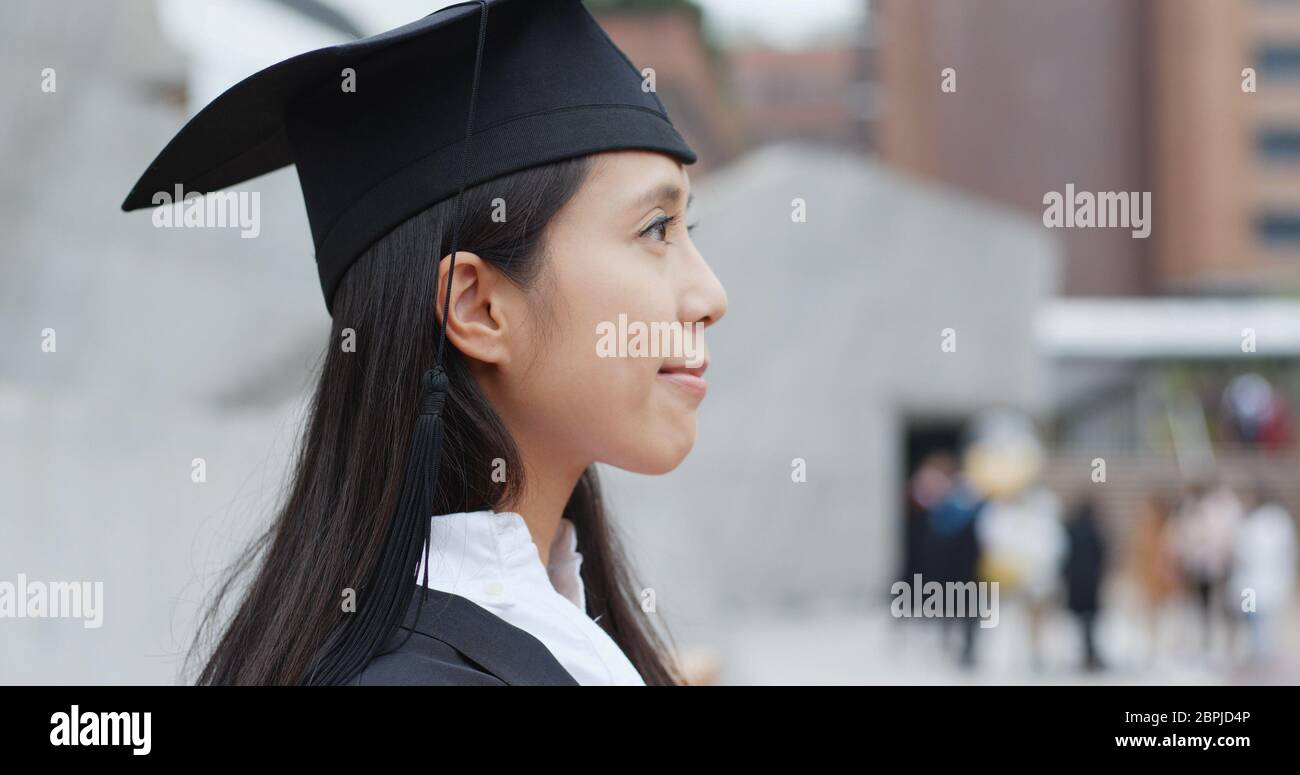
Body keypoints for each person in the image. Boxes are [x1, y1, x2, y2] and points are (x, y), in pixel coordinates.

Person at [123, 0, 727, 685]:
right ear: (477, 306)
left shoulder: (552, 631)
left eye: (690, 231)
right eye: (655, 230)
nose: (711, 297)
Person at [1229, 484, 1297, 663]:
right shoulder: (1279, 520)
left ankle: (1258, 653)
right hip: (1264, 580)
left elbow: (1243, 550)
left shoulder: (1256, 522)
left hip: (1254, 581)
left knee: (1255, 618)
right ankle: (1259, 651)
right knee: (1259, 619)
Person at [1062, 499, 1107, 671]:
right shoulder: (1095, 530)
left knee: (1081, 622)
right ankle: (1089, 654)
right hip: (1090, 583)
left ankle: (1086, 654)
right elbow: (1102, 554)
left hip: (1076, 583)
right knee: (1089, 622)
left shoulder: (1070, 530)